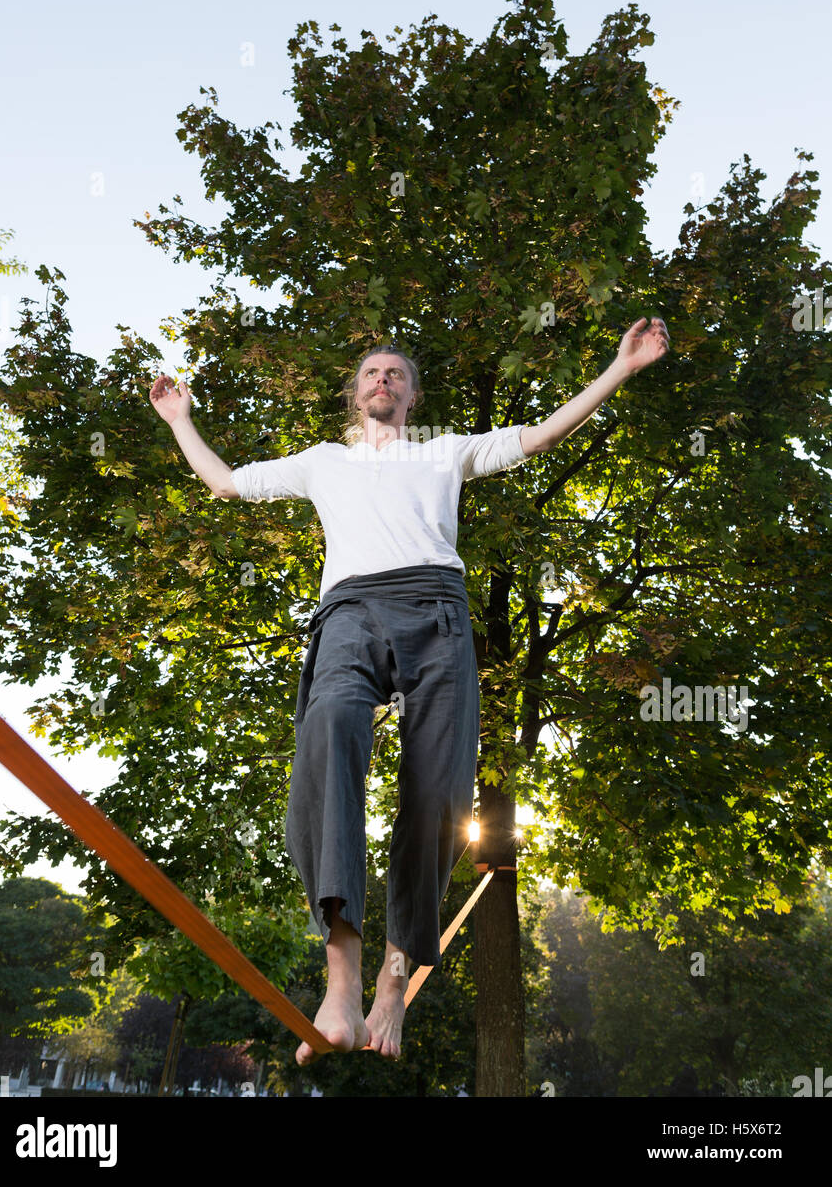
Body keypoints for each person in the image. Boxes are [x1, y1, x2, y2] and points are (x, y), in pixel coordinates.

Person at [149, 316, 670, 1064]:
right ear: (353, 394)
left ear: (413, 394)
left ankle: (395, 977)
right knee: (329, 723)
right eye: (371, 373)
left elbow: (541, 436)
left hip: (436, 612)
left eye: (396, 373)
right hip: (350, 609)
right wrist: (181, 420)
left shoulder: (445, 454)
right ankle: (344, 968)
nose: (382, 380)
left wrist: (619, 370)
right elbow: (226, 483)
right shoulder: (322, 460)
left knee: (438, 792)